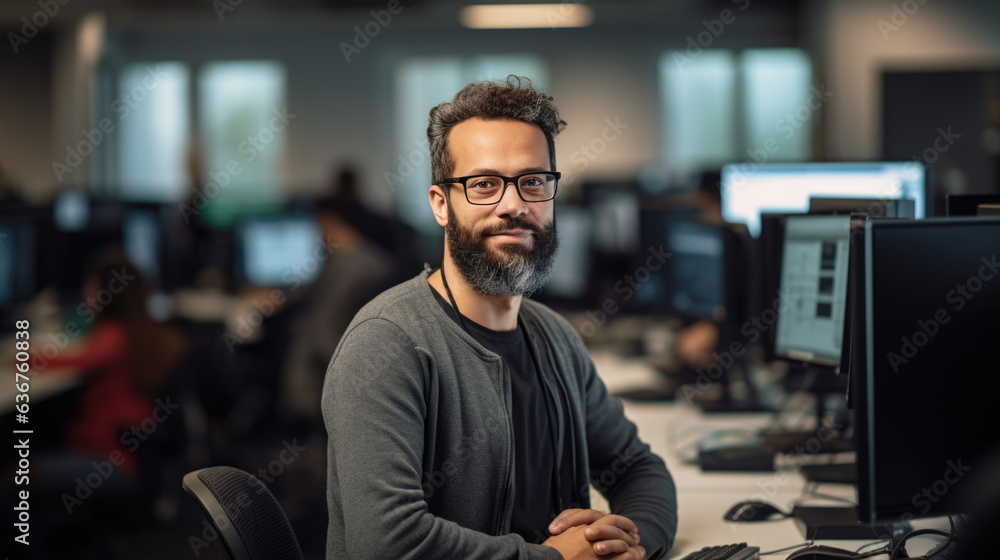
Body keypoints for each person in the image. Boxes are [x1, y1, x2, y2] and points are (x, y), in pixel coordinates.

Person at [322, 76, 677, 559]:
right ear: (441, 204)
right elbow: (385, 543)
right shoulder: (386, 345)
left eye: (532, 181)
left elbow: (638, 468)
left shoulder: (555, 338)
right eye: (484, 184)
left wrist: (630, 544)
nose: (513, 205)